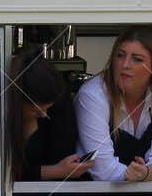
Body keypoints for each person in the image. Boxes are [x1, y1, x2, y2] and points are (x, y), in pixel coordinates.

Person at [74, 26, 152, 182]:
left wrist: (146, 173)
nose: (125, 64)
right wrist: (141, 176)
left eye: (137, 59)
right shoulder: (93, 95)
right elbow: (103, 170)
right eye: (120, 55)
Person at [7, 45, 92, 182]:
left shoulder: (59, 101)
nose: (44, 114)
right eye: (36, 110)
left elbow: (62, 152)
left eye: (47, 108)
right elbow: (1, 174)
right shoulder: (0, 115)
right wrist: (55, 171)